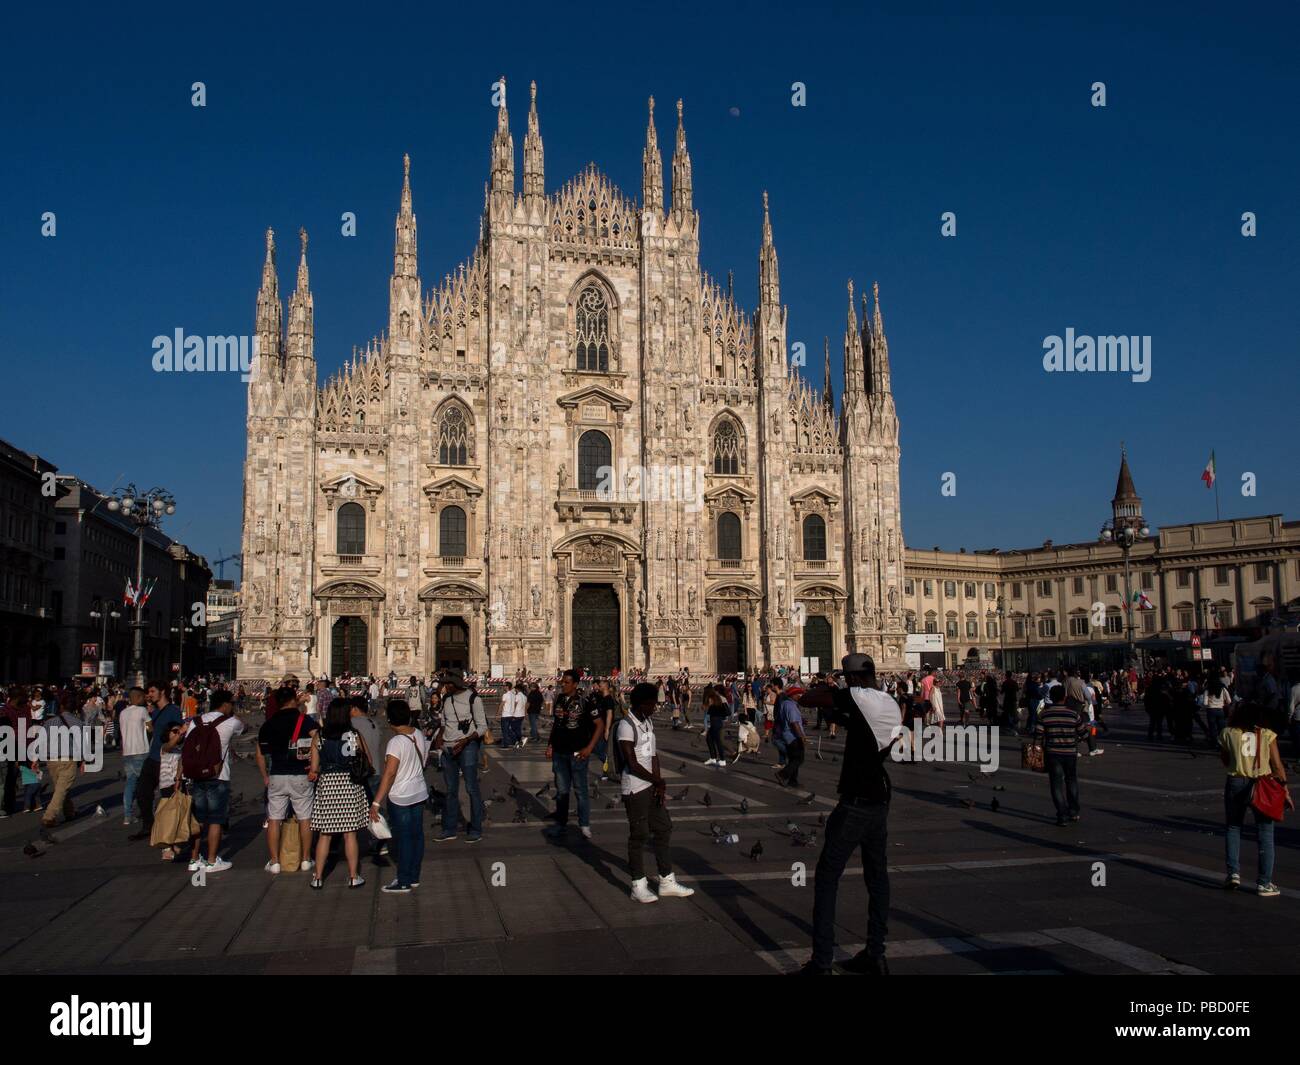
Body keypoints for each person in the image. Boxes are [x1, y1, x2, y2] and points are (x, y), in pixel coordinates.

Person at [795, 654, 900, 975]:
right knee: (877, 877)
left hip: (856, 801)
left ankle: (821, 963)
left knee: (827, 878)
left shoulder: (859, 696)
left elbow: (809, 698)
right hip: (880, 798)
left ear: (852, 678)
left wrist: (830, 688)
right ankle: (875, 952)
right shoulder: (890, 703)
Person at [617, 682, 695, 903]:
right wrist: (656, 779)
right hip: (634, 787)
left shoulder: (647, 723)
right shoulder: (625, 726)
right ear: (641, 703)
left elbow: (653, 755)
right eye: (652, 704)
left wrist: (659, 782)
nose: (655, 707)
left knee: (663, 828)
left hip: (651, 785)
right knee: (639, 835)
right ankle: (638, 885)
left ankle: (666, 881)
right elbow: (631, 763)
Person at [1220, 700, 1291, 896]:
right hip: (1262, 783)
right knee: (1265, 833)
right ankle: (1264, 883)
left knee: (1233, 827)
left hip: (1236, 781)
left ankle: (1233, 873)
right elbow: (1277, 767)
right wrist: (1285, 791)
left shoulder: (1228, 733)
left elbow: (1225, 760)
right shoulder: (1267, 734)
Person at [179, 690, 245, 873]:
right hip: (218, 776)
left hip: (197, 775)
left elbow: (187, 746)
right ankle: (212, 860)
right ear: (225, 704)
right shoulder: (231, 722)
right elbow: (243, 728)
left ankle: (194, 860)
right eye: (231, 703)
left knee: (198, 818)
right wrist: (233, 715)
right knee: (215, 819)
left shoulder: (195, 721)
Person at [370, 699, 431, 893]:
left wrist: (376, 802)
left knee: (403, 838)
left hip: (401, 796)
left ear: (389, 719)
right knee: (417, 835)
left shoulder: (395, 742)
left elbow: (389, 774)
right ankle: (414, 876)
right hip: (419, 792)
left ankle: (403, 880)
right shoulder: (418, 734)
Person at [255, 685, 318, 875]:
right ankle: (306, 859)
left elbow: (260, 753)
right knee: (305, 818)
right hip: (301, 774)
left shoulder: (269, 724)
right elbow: (318, 739)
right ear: (293, 699)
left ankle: (274, 862)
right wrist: (314, 766)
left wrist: (265, 775)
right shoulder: (304, 720)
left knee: (274, 819)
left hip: (277, 775)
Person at [307, 700, 369, 889]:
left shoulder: (320, 735)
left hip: (328, 784)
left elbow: (314, 766)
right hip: (349, 783)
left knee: (325, 834)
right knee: (350, 834)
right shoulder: (352, 735)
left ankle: (317, 877)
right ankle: (352, 876)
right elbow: (366, 759)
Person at [545, 669, 603, 840]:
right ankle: (561, 825)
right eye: (562, 682)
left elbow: (599, 724)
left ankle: (584, 824)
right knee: (562, 791)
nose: (562, 684)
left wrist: (589, 748)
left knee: (580, 790)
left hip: (578, 752)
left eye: (566, 682)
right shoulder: (559, 699)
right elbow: (556, 724)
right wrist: (550, 745)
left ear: (575, 684)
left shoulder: (586, 701)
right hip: (560, 752)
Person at [436, 669, 488, 843]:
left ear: (456, 683)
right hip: (448, 748)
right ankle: (449, 829)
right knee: (450, 790)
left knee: (471, 788)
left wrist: (465, 741)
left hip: (467, 747)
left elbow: (482, 727)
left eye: (447, 683)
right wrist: (439, 739)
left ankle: (475, 828)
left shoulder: (474, 699)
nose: (444, 686)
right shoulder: (446, 699)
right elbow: (444, 722)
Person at [128, 683, 183, 841]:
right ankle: (148, 825)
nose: (149, 694)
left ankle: (170, 830)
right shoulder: (155, 712)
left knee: (168, 796)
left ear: (162, 691)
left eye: (152, 691)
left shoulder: (173, 711)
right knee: (142, 792)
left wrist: (170, 744)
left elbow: (178, 733)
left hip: (167, 759)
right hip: (152, 757)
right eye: (148, 692)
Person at [1033, 683, 1090, 826]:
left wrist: (1036, 749)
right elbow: (1084, 734)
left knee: (1056, 784)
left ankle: (1062, 814)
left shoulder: (1044, 715)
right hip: (1070, 753)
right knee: (1071, 780)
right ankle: (1074, 811)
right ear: (1064, 698)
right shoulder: (1073, 714)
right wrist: (1076, 738)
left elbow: (1038, 736)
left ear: (1051, 698)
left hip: (1053, 753)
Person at [118, 687, 150, 827]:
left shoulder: (123, 713)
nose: (145, 699)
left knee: (130, 784)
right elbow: (151, 727)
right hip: (141, 750)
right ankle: (146, 812)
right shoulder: (142, 711)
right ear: (137, 698)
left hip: (127, 752)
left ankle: (127, 815)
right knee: (145, 784)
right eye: (143, 697)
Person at [774, 681, 806, 788]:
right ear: (793, 695)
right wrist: (801, 736)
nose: (800, 696)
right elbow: (794, 723)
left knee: (793, 759)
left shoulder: (785, 704)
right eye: (798, 694)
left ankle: (793, 781)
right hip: (793, 736)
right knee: (799, 759)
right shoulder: (791, 706)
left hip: (787, 735)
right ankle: (782, 774)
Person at [703, 685, 729, 766]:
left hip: (716, 723)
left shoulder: (716, 699)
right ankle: (713, 758)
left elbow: (706, 708)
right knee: (709, 739)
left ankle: (722, 759)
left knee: (718, 741)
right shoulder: (716, 699)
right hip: (716, 722)